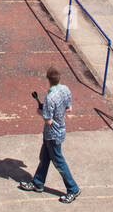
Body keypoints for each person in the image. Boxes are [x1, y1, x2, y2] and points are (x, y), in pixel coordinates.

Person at [19, 67, 80, 203]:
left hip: (52, 134)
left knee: (59, 162)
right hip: (60, 130)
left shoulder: (49, 98)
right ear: (59, 78)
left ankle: (73, 188)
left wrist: (40, 111)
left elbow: (48, 120)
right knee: (44, 158)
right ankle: (38, 183)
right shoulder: (65, 90)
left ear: (48, 80)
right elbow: (69, 108)